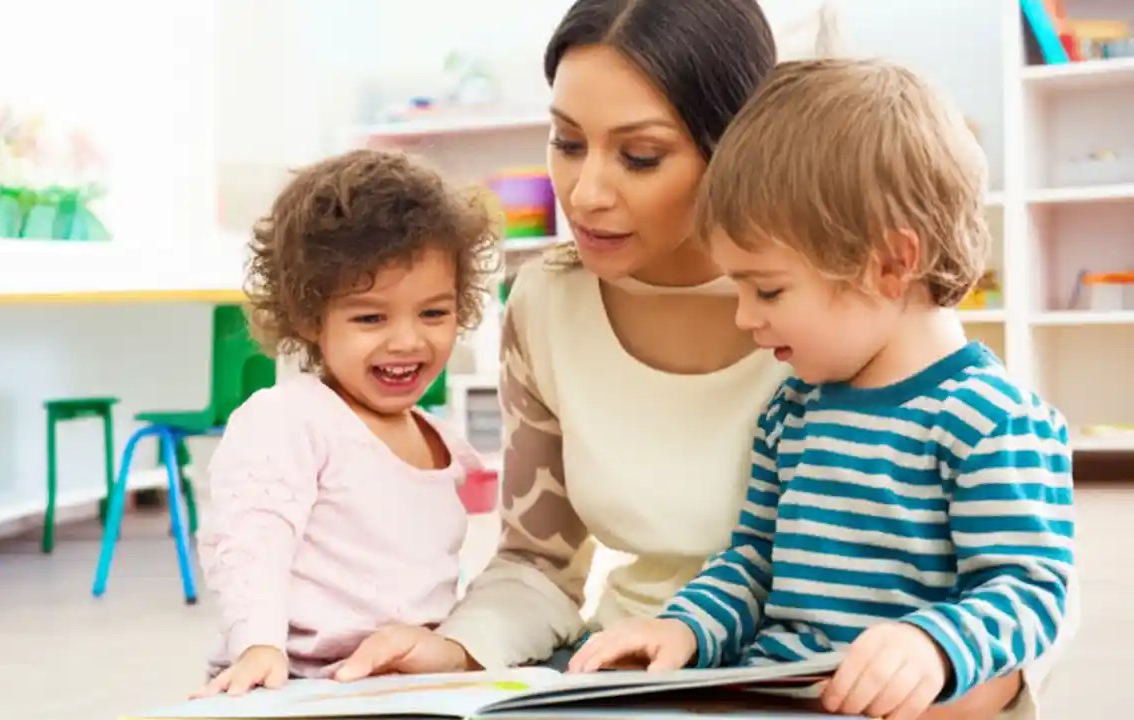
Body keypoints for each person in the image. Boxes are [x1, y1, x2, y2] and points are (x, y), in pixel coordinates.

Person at [337, 1, 1075, 717]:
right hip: (657, 673)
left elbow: (1025, 579)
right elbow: (558, 560)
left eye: (641, 155)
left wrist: (959, 669)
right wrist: (462, 648)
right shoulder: (555, 306)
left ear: (734, 148)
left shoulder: (853, 324)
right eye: (565, 142)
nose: (585, 193)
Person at [566, 58, 1076, 720]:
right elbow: (753, 562)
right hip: (775, 694)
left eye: (767, 289)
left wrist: (934, 647)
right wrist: (685, 628)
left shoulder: (991, 420)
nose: (746, 316)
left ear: (892, 263)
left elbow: (1027, 589)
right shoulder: (793, 410)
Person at [191, 149, 497, 696]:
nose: (408, 339)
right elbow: (250, 539)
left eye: (434, 312)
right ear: (310, 316)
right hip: (295, 676)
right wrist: (258, 643)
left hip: (404, 678)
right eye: (371, 317)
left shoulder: (438, 438)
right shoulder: (290, 418)